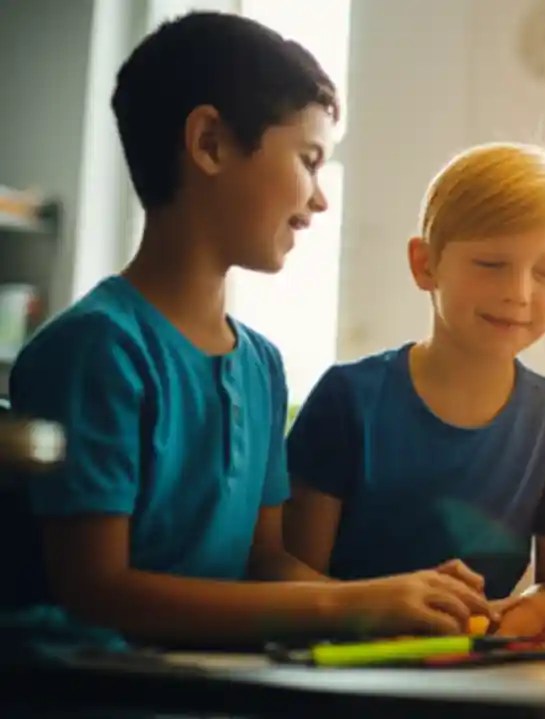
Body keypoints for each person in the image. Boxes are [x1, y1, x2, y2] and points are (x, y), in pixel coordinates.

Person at [4, 11, 489, 645]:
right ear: (210, 143)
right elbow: (99, 594)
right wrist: (349, 608)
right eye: (309, 160)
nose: (320, 199)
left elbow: (263, 564)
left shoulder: (261, 364)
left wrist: (405, 600)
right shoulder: (95, 350)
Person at [284, 142, 545, 636]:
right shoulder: (348, 399)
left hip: (475, 672)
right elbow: (288, 573)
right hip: (344, 669)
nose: (519, 293)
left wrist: (509, 620)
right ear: (425, 265)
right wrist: (381, 605)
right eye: (491, 264)